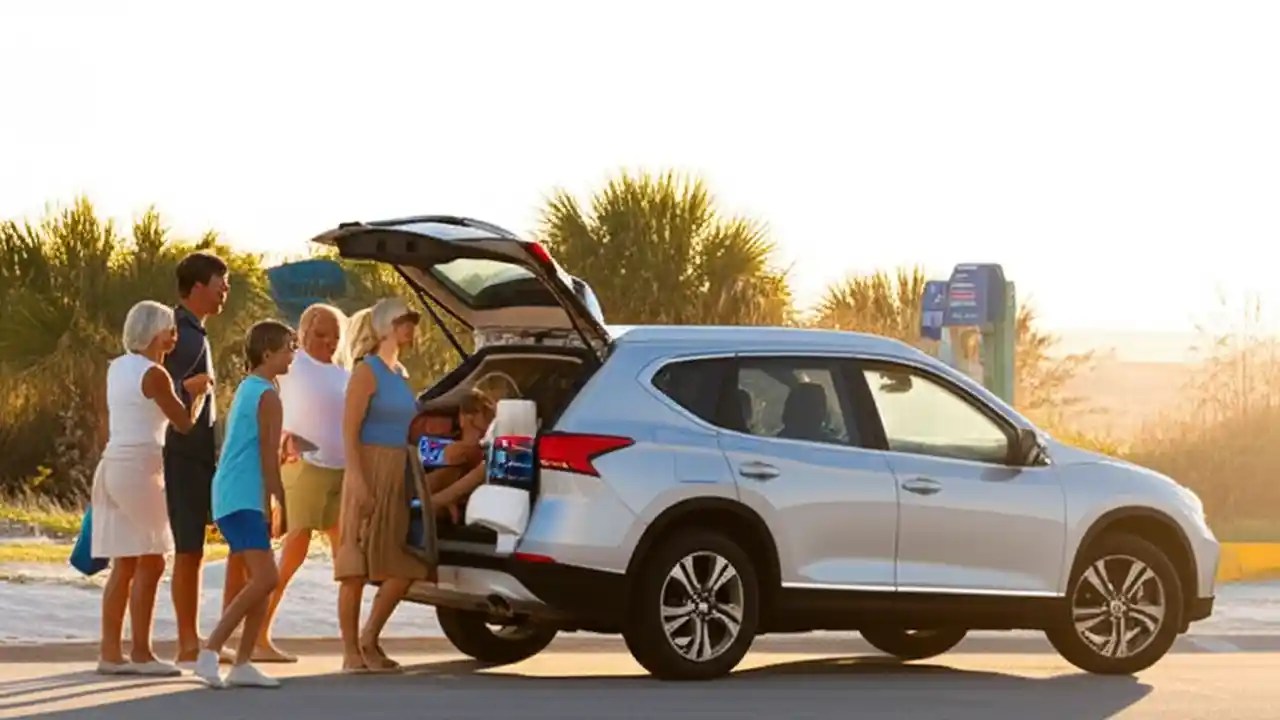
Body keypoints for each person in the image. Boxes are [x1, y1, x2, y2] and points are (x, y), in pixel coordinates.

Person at [92, 301, 210, 676]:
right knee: (154, 557)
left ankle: (111, 653)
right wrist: (198, 393)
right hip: (140, 469)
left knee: (124, 562)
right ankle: (141, 653)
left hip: (113, 464)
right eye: (169, 329)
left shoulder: (118, 367)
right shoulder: (155, 374)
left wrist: (180, 388)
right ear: (152, 333)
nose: (174, 336)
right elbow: (184, 423)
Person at [193, 320, 295, 689]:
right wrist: (277, 501)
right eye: (287, 348)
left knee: (262, 580)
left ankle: (243, 662)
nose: (292, 354)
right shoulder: (266, 394)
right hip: (241, 496)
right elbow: (269, 455)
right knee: (267, 577)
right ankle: (210, 650)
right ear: (267, 353)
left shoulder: (253, 388)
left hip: (235, 495)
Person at [334, 298, 427, 673]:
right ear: (386, 325)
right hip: (369, 464)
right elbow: (349, 429)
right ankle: (350, 651)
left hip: (398, 468)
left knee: (402, 563)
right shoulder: (366, 371)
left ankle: (370, 636)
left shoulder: (400, 373)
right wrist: (358, 479)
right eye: (404, 320)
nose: (410, 327)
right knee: (355, 565)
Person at [254, 303, 349, 663]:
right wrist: (281, 438)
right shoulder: (293, 366)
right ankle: (259, 635)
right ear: (304, 331)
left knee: (347, 561)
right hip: (305, 468)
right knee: (293, 552)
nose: (328, 342)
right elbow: (264, 396)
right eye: (321, 334)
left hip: (339, 472)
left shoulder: (342, 373)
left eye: (334, 337)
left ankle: (353, 644)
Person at [162, 251, 237, 667]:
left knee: (193, 550)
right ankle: (187, 641)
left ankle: (190, 638)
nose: (225, 289)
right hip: (179, 455)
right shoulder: (179, 332)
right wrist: (187, 388)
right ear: (197, 287)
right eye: (219, 282)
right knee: (187, 549)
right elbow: (156, 383)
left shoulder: (196, 332)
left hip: (195, 456)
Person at [425, 389, 496, 523]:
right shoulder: (455, 449)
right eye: (486, 412)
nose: (491, 417)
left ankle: (434, 501)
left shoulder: (482, 451)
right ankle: (433, 501)